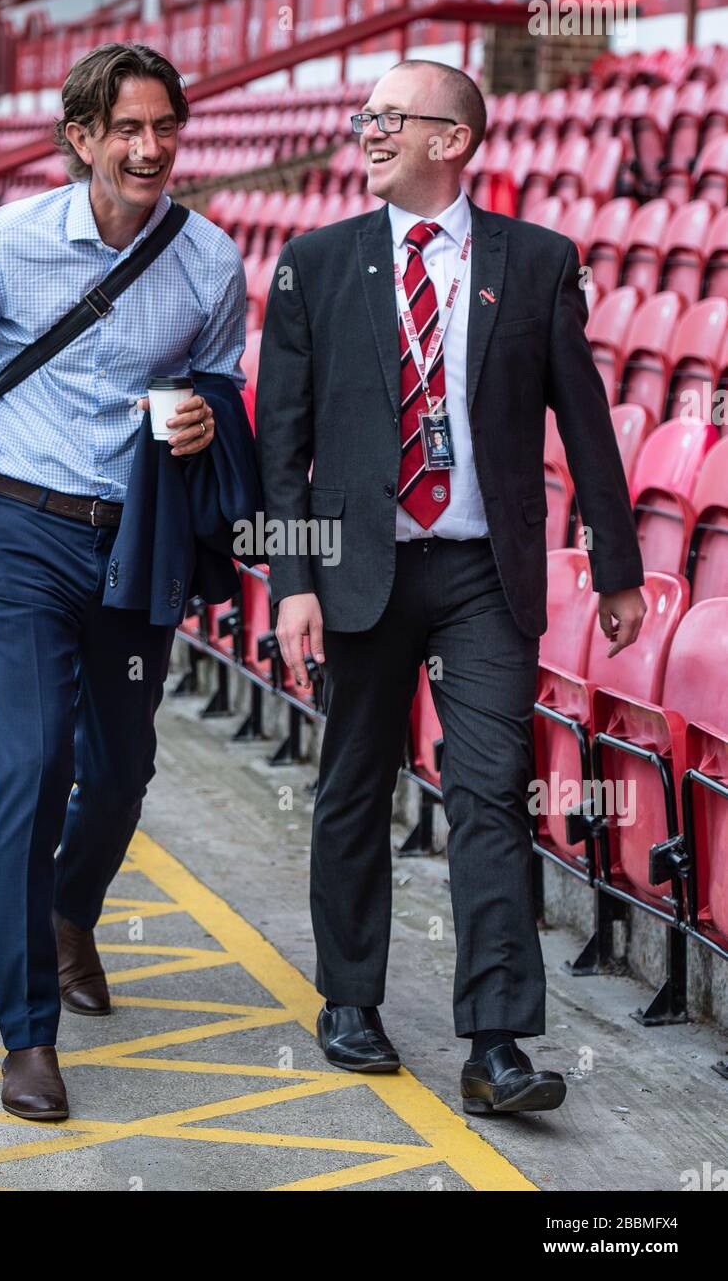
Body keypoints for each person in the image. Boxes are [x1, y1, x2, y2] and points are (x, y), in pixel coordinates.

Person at [255, 59, 646, 1116]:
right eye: (364, 116)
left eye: (390, 118)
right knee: (351, 790)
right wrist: (292, 579)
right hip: (359, 567)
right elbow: (279, 442)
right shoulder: (317, 265)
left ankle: (499, 1044)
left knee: (488, 796)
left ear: (453, 140)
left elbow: (586, 420)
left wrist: (617, 563)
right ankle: (349, 1001)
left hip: (484, 572)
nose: (367, 131)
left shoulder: (536, 261)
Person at [0, 42, 246, 1121]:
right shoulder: (10, 242)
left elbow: (222, 386)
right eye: (125, 129)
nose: (148, 148)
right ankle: (28, 1036)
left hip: (137, 543)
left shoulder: (211, 259)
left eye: (165, 126)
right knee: (33, 765)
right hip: (22, 535)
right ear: (81, 137)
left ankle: (68, 912)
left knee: (125, 765)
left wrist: (200, 418)